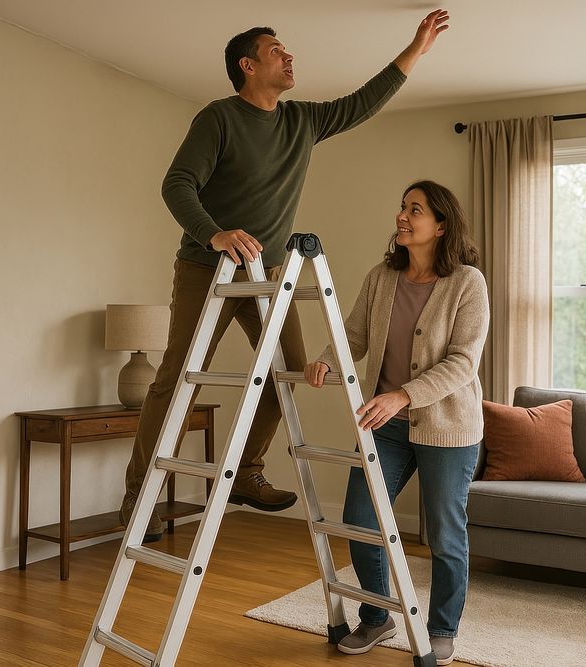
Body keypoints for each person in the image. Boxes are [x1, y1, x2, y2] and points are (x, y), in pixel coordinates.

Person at [121, 11, 452, 542]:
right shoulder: (219, 118)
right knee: (179, 376)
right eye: (277, 50)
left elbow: (361, 103)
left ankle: (246, 471)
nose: (289, 55)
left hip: (269, 272)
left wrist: (415, 49)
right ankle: (140, 490)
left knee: (293, 372)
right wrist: (216, 234)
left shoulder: (302, 121)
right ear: (248, 66)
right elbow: (177, 184)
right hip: (206, 267)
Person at [304, 181, 489, 666]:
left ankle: (442, 627)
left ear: (441, 225)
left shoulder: (468, 282)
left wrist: (403, 395)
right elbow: (355, 334)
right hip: (384, 426)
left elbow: (462, 363)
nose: (402, 216)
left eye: (415, 209)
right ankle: (376, 617)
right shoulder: (382, 276)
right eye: (402, 207)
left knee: (446, 534)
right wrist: (327, 357)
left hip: (447, 427)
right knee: (361, 522)